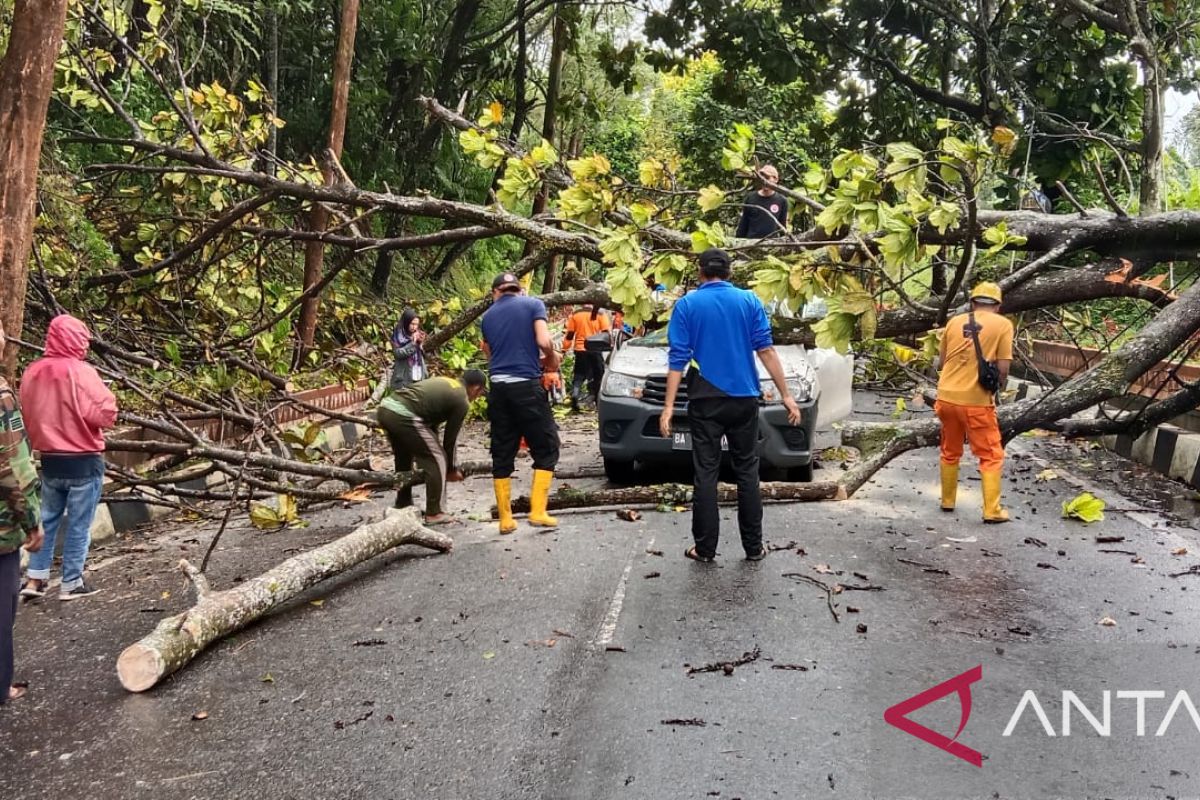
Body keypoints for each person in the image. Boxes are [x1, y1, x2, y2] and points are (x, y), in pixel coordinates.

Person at [659, 248, 801, 563]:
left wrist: (668, 407)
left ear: (700, 272)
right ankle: (754, 548)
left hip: (704, 399)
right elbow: (766, 350)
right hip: (744, 399)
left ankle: (705, 549)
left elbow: (677, 360)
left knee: (706, 473)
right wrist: (786, 395)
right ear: (729, 272)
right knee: (747, 471)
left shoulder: (687, 305)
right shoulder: (749, 301)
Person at [19, 314, 117, 601]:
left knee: (47, 520)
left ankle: (35, 579)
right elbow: (104, 414)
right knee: (78, 523)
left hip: (49, 459)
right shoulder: (81, 372)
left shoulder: (32, 372)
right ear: (78, 339)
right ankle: (71, 581)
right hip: (83, 460)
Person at [481, 272, 561, 533]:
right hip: (525, 385)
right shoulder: (533, 304)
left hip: (499, 388)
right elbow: (542, 341)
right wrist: (552, 355)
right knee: (547, 445)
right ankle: (538, 511)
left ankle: (505, 519)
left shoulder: (488, 316)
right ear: (519, 289)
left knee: (503, 448)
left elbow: (489, 353)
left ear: (496, 292)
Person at [936, 282, 1014, 523]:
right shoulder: (1003, 325)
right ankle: (992, 510)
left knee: (950, 450)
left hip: (946, 397)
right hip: (976, 401)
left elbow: (940, 363)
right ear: (998, 306)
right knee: (991, 454)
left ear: (972, 303)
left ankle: (947, 500)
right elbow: (1003, 367)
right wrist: (996, 385)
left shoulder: (954, 322)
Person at [377, 371, 486, 524]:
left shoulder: (447, 382)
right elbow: (450, 441)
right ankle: (434, 512)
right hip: (404, 414)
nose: (477, 397)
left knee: (404, 456)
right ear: (476, 388)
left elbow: (430, 424)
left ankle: (403, 503)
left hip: (386, 408)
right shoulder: (462, 400)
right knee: (437, 458)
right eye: (480, 393)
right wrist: (451, 469)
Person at [0, 320, 43, 703]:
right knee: (3, 607)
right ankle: (1, 685)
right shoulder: (1, 397)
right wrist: (31, 519)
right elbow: (11, 467)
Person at [562, 303, 611, 408]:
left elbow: (570, 334)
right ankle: (598, 402)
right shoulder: (601, 314)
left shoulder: (576, 314)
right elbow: (606, 333)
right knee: (598, 376)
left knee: (579, 374)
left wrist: (564, 349)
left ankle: (575, 394)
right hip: (595, 349)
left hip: (580, 350)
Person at [735, 164, 789, 240]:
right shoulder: (750, 197)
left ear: (776, 179)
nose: (764, 181)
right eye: (762, 178)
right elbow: (743, 224)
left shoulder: (782, 200)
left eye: (767, 178)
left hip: (772, 244)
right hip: (751, 243)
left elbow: (783, 226)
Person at [389, 308, 427, 391]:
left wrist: (420, 343)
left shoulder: (417, 334)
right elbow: (398, 354)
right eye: (412, 324)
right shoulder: (398, 337)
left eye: (416, 324)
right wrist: (413, 344)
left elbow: (421, 355)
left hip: (418, 373)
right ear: (406, 323)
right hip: (404, 377)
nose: (414, 327)